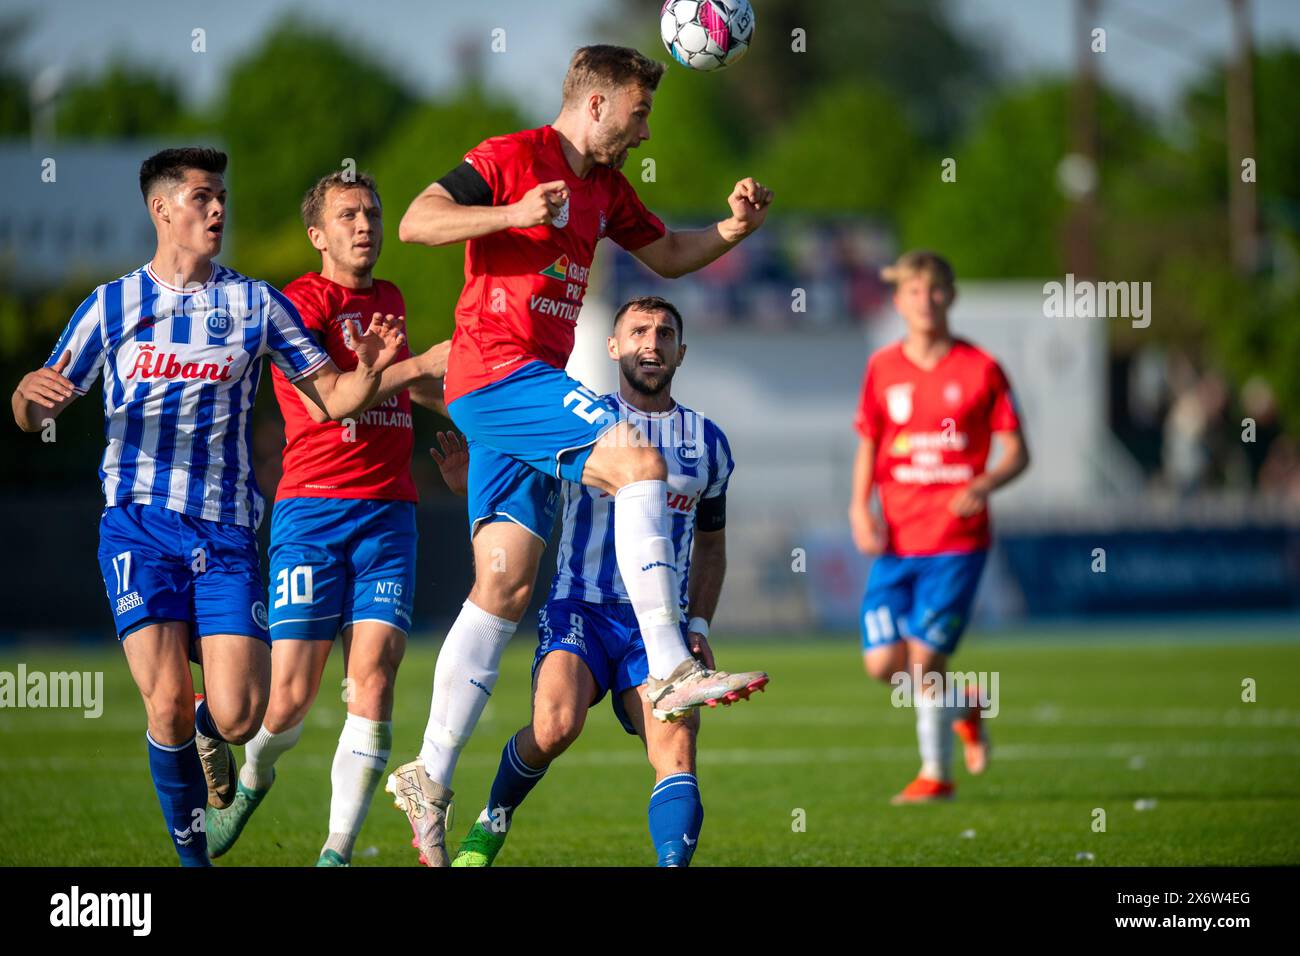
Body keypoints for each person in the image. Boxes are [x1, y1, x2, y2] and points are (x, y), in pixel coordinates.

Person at [386, 44, 774, 866]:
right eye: (638, 114)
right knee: (638, 459)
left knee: (502, 584)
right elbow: (416, 221)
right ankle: (668, 666)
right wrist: (512, 214)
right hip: (496, 369)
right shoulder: (509, 157)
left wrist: (734, 231)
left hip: (520, 387)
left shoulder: (606, 188)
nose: (644, 131)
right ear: (596, 104)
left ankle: (430, 769)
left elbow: (667, 253)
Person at [10, 147, 406, 864]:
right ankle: (193, 862)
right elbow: (36, 398)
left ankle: (203, 726)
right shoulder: (111, 305)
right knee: (161, 700)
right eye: (201, 198)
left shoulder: (255, 303)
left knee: (240, 712)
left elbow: (334, 399)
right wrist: (26, 403)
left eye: (222, 195)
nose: (218, 208)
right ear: (162, 210)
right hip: (139, 525)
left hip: (226, 531)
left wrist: (374, 369)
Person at [203, 169, 462, 865]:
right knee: (285, 701)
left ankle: (336, 851)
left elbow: (402, 391)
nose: (366, 225)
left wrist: (467, 411)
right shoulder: (297, 303)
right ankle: (254, 774)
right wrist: (410, 368)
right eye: (349, 214)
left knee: (374, 675)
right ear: (317, 234)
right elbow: (327, 404)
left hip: (389, 515)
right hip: (313, 512)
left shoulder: (393, 298)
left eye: (373, 213)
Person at [452, 295, 747, 867]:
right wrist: (471, 479)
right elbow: (514, 485)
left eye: (664, 334)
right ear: (613, 347)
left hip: (655, 630)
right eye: (638, 331)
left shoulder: (708, 444)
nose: (651, 343)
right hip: (579, 609)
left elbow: (712, 546)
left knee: (677, 750)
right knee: (555, 726)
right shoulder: (575, 421)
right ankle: (491, 823)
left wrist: (699, 622)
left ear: (681, 352)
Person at [849, 250, 1029, 804]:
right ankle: (965, 705)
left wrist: (984, 483)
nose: (924, 301)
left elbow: (1019, 452)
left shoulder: (982, 368)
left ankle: (936, 776)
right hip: (897, 541)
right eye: (912, 292)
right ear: (898, 300)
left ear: (950, 295)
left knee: (925, 661)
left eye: (934, 290)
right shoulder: (882, 367)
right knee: (884, 664)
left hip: (956, 543)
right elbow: (870, 443)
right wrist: (860, 508)